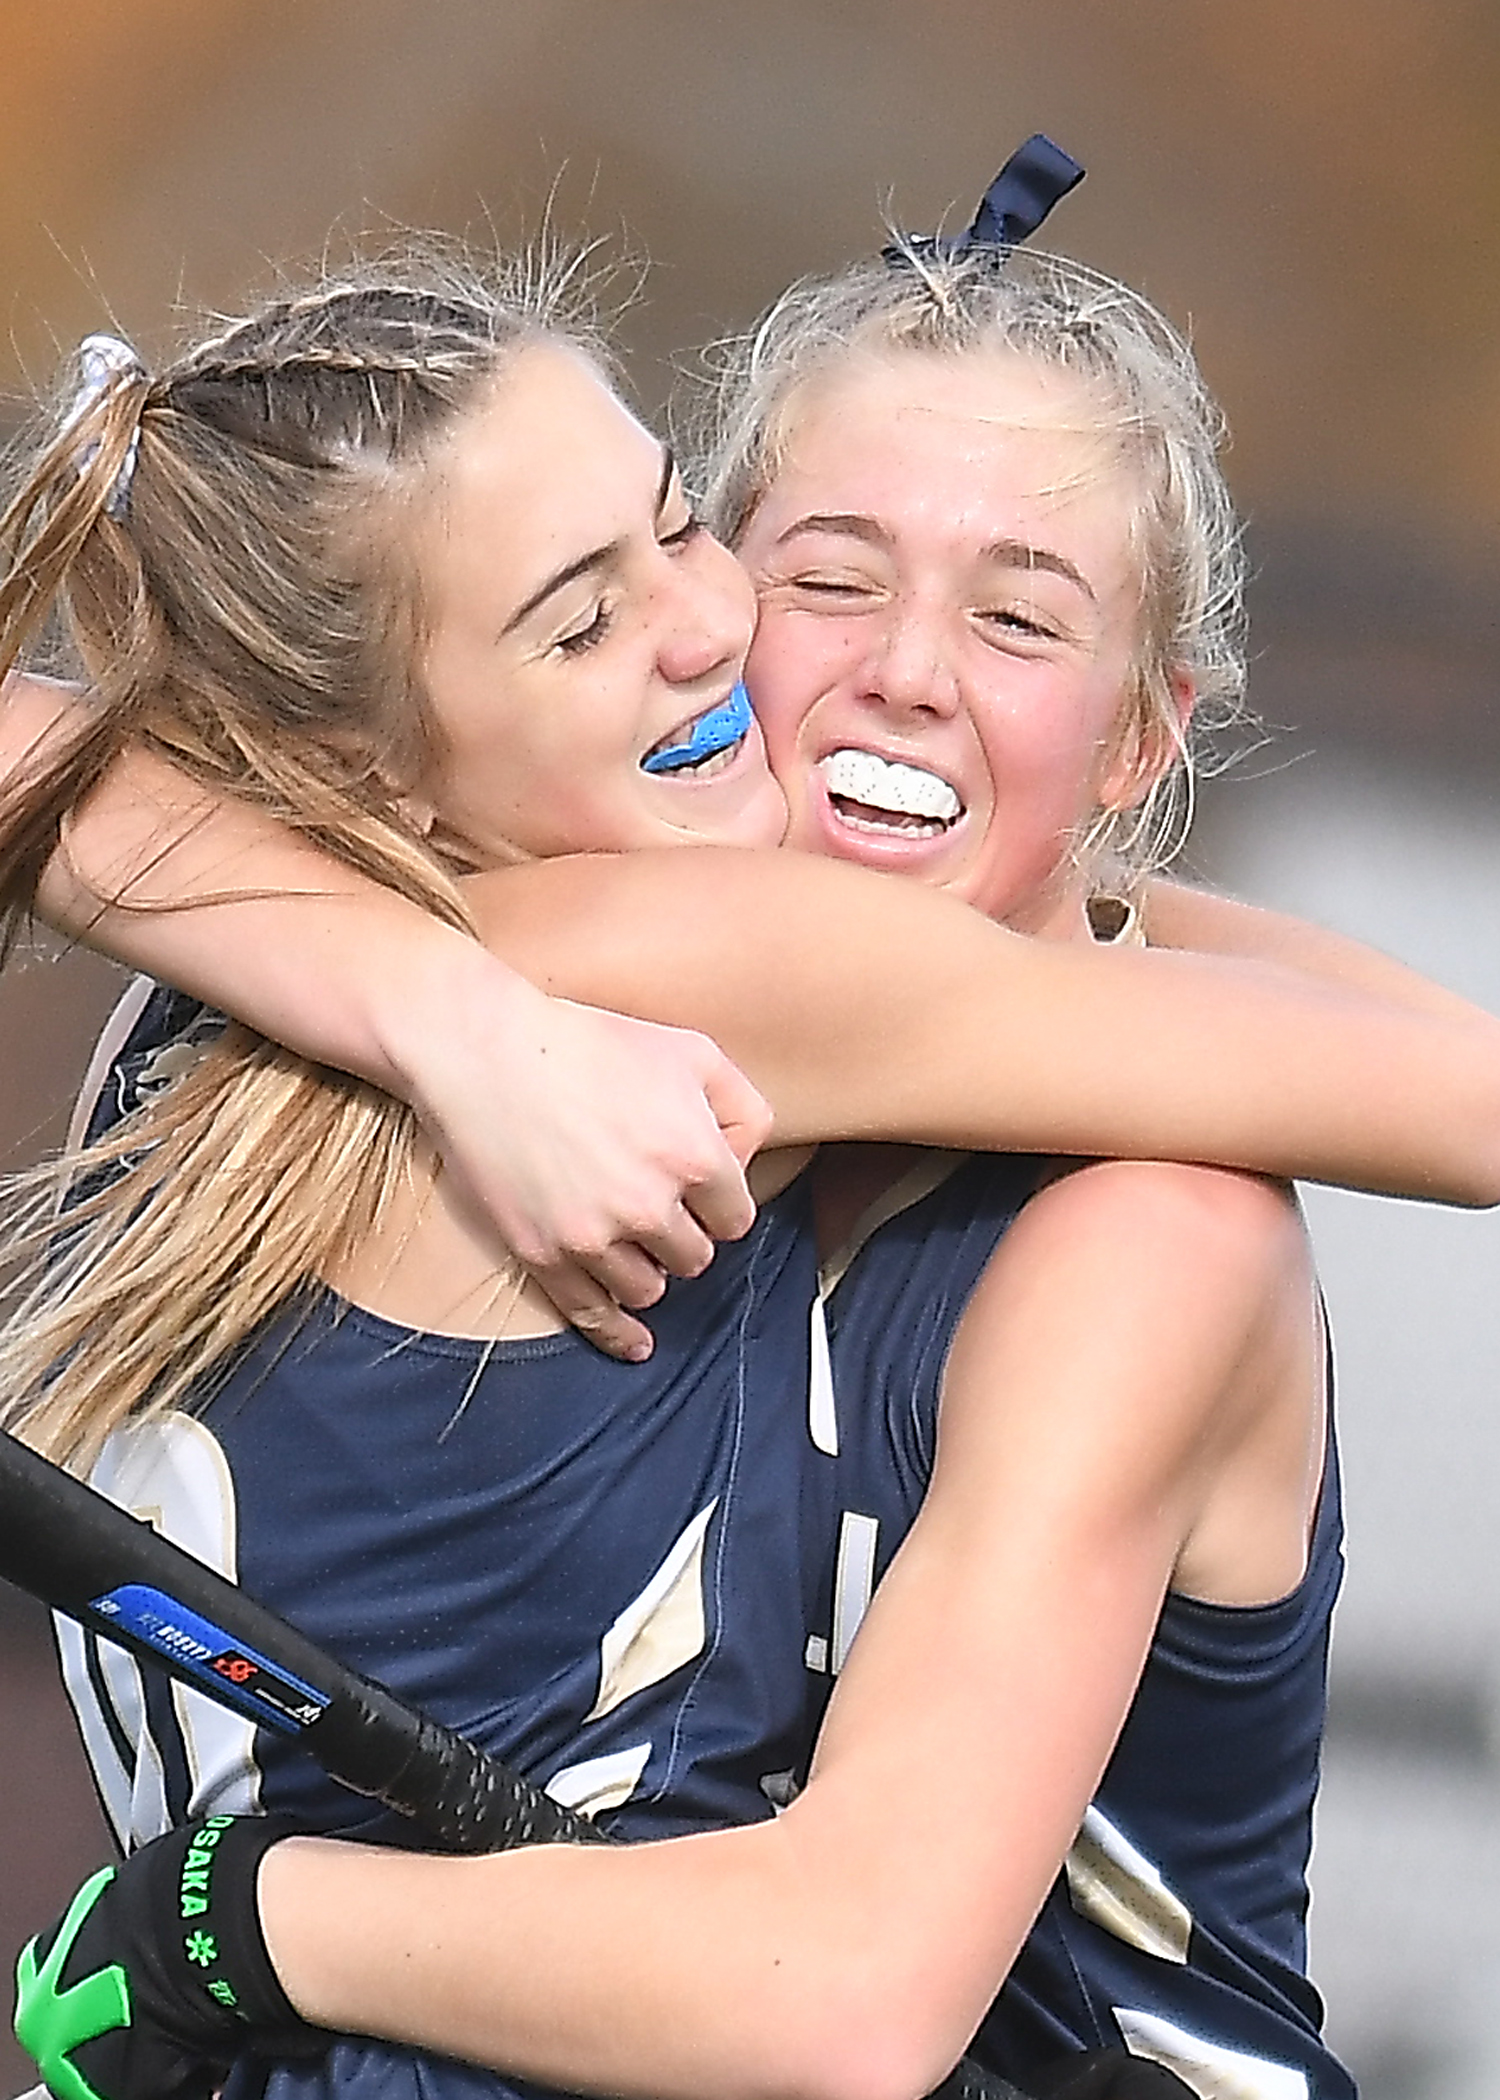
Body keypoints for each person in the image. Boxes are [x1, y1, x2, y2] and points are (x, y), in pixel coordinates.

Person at [5, 164, 1498, 2100]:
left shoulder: (221, 991)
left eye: (1024, 624)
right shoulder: (668, 975)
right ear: (362, 747)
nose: (891, 667)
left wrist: (244, 1917)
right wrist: (447, 1013)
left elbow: (836, 1993)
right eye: (825, 572)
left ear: (1146, 741)